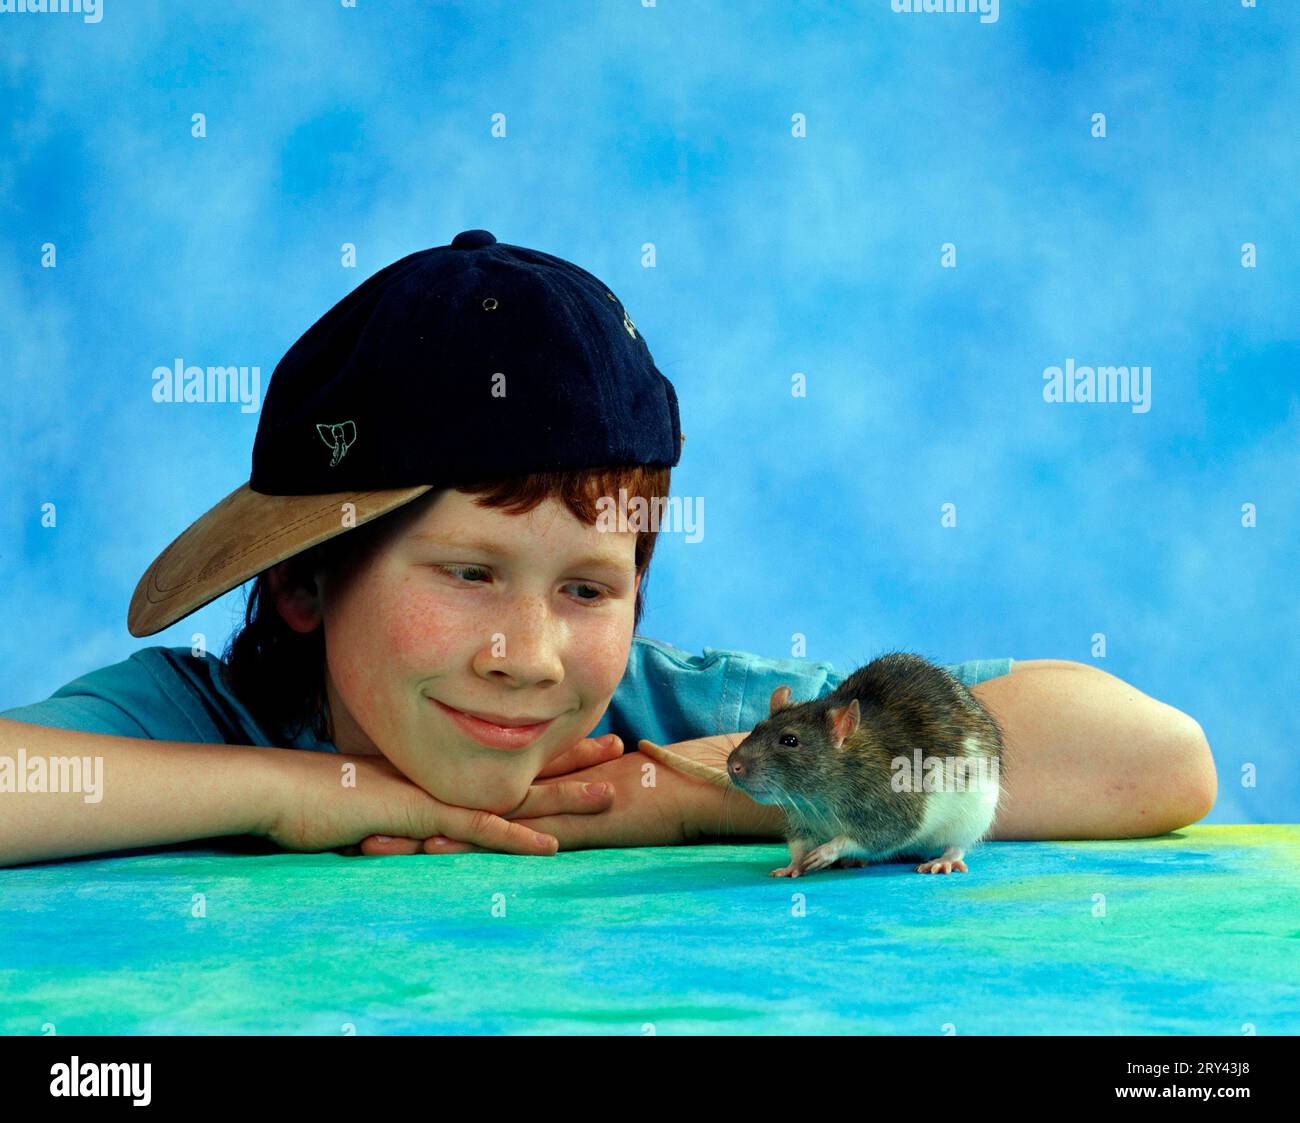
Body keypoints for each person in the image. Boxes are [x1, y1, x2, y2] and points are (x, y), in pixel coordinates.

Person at [0, 230, 1216, 868]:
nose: (531, 657)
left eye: (587, 586)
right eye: (470, 572)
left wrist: (680, 805)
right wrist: (294, 793)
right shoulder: (204, 721)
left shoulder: (662, 723)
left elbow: (1155, 761)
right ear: (306, 584)